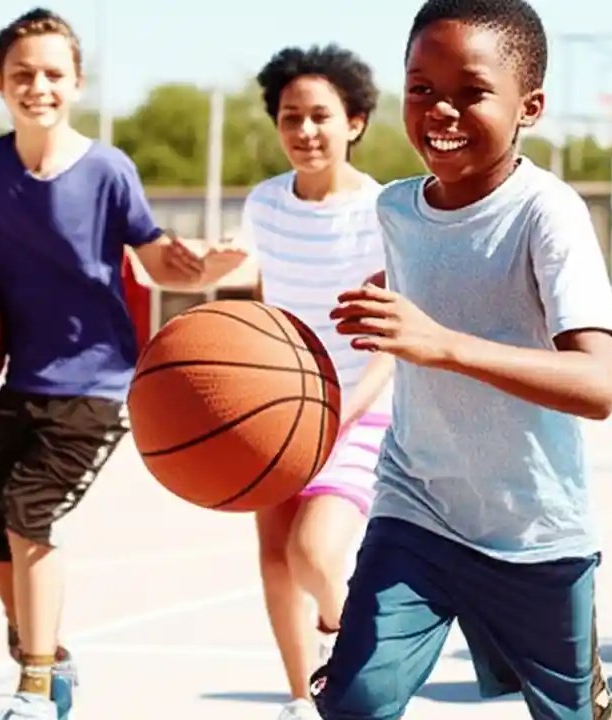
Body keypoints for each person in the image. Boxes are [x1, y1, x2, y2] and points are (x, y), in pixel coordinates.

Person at [0, 9, 243, 720]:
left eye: (53, 74)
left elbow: (155, 256)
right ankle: (52, 654)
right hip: (22, 381)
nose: (38, 86)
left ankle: (34, 685)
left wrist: (202, 268)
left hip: (96, 386)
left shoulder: (107, 171)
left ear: (77, 82)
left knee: (28, 518)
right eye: (23, 74)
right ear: (1, 84)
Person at [312, 1, 612, 718]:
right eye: (422, 89)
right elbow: (425, 299)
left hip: (535, 529)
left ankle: (591, 689)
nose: (441, 111)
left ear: (530, 107)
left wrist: (443, 343)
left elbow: (599, 384)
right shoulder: (395, 209)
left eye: (472, 92)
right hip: (418, 504)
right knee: (354, 700)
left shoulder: (548, 213)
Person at [235, 44, 394, 720]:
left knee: (312, 551)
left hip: (361, 409)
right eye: (290, 117)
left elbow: (394, 337)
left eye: (320, 116)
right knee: (275, 559)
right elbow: (261, 307)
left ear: (355, 122)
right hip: (281, 406)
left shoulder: (387, 212)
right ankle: (303, 699)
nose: (304, 131)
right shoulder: (265, 206)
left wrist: (346, 407)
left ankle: (365, 664)